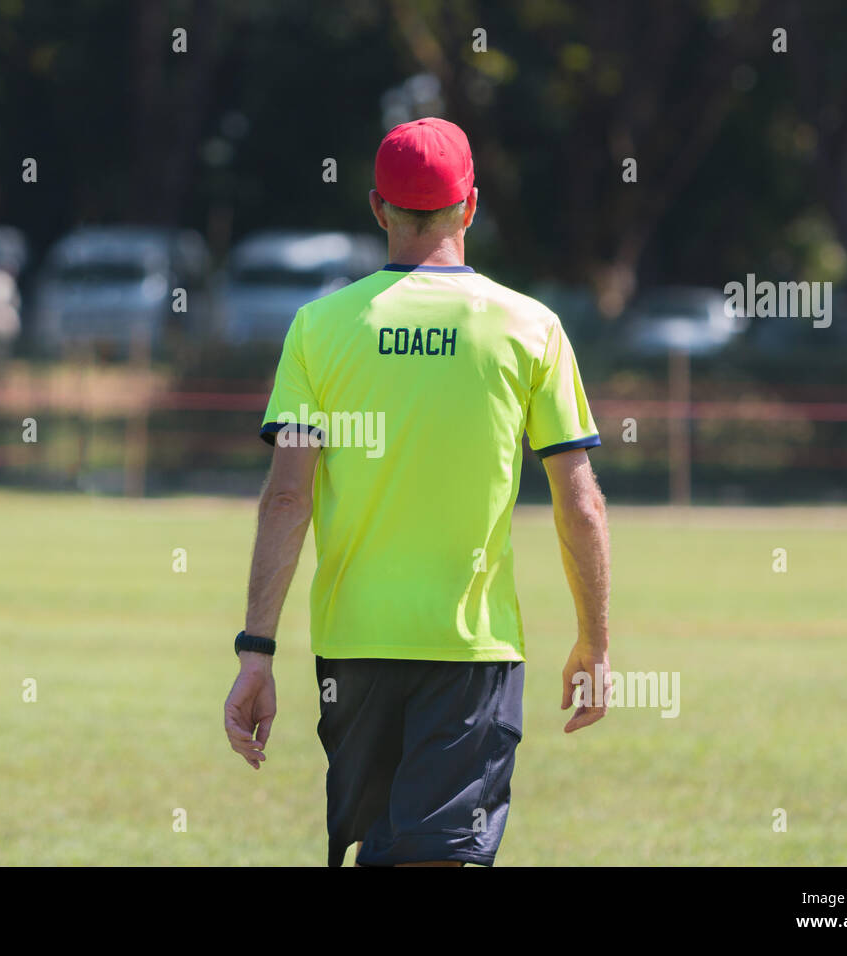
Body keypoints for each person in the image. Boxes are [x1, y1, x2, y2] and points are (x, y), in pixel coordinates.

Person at [223, 117, 612, 867]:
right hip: (470, 647)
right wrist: (594, 642)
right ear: (471, 206)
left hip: (352, 650)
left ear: (378, 208)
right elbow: (581, 502)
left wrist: (256, 650)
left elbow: (286, 500)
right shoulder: (531, 328)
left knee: (383, 850)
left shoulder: (318, 326)